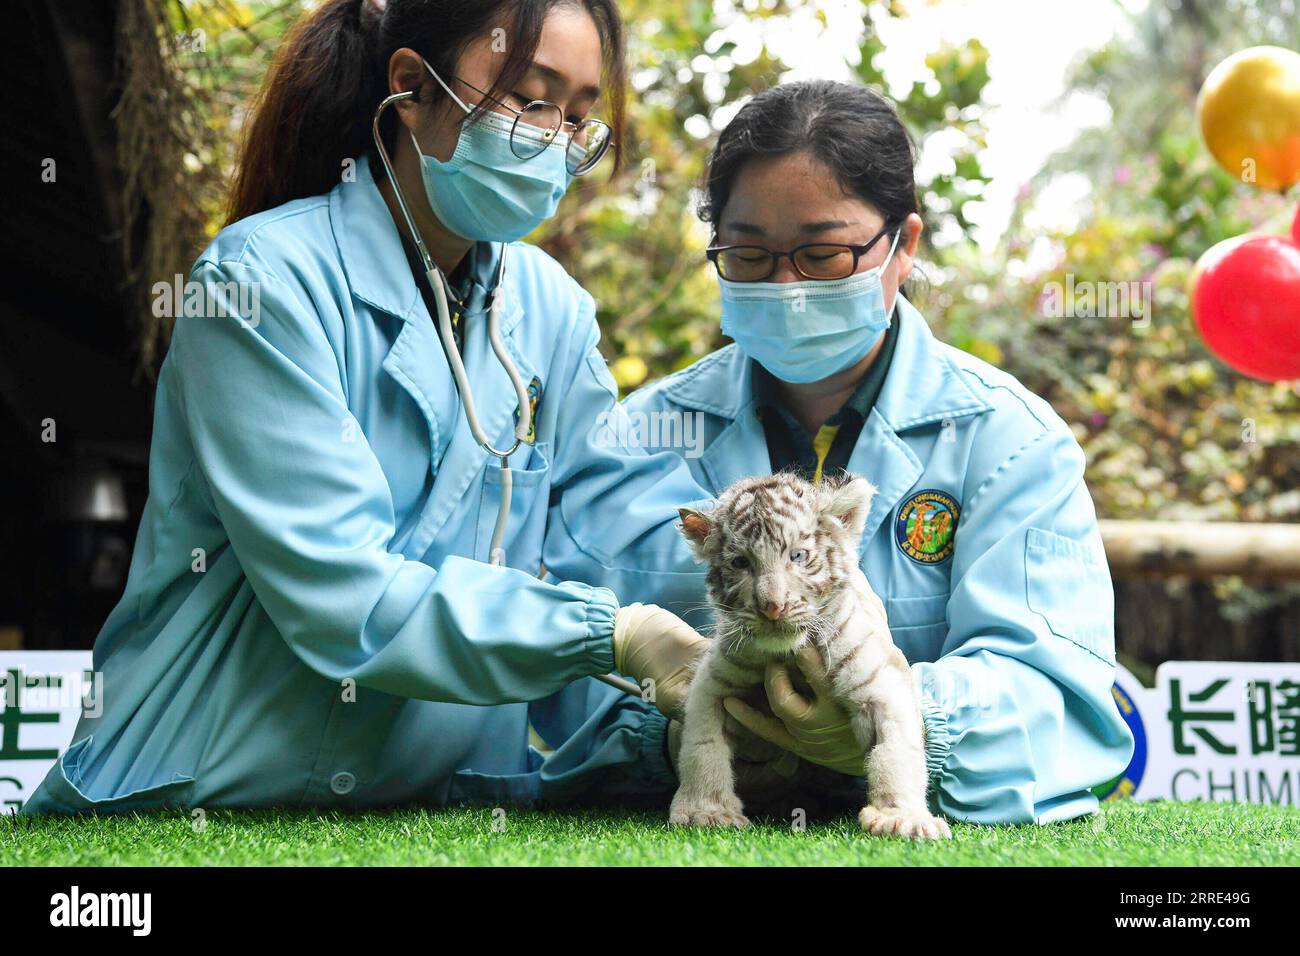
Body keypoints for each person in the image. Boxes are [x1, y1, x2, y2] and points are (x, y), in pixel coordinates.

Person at [25, 0, 748, 814]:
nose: (554, 138)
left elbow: (614, 541)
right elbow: (344, 594)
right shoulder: (259, 283)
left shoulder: (553, 313)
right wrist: (608, 636)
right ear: (410, 87)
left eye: (578, 117)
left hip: (437, 807)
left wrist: (762, 653)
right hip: (203, 789)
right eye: (530, 98)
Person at [624, 79, 1135, 825]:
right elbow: (568, 688)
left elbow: (1060, 706)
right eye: (749, 254)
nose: (785, 285)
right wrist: (668, 737)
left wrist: (895, 717)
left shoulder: (1013, 442)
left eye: (823, 253)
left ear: (904, 247)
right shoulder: (643, 435)